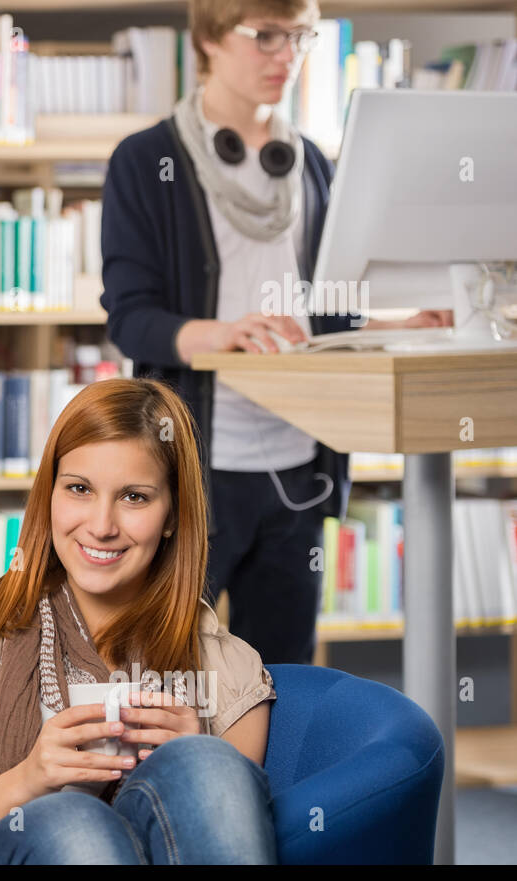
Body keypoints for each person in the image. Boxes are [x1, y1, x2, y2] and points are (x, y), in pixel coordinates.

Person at [99, 0, 450, 664]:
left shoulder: (313, 163)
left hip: (299, 466)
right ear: (208, 38)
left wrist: (400, 321)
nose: (285, 55)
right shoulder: (145, 162)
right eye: (265, 37)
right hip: (193, 468)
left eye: (299, 38)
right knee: (162, 672)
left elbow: (325, 314)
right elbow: (131, 319)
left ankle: (271, 776)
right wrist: (223, 333)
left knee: (282, 679)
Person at [0, 377, 279, 864]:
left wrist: (191, 763)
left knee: (205, 765)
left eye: (135, 497)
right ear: (50, 495)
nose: (102, 526)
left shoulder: (230, 673)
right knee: (72, 821)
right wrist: (28, 781)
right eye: (79, 489)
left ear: (172, 516)